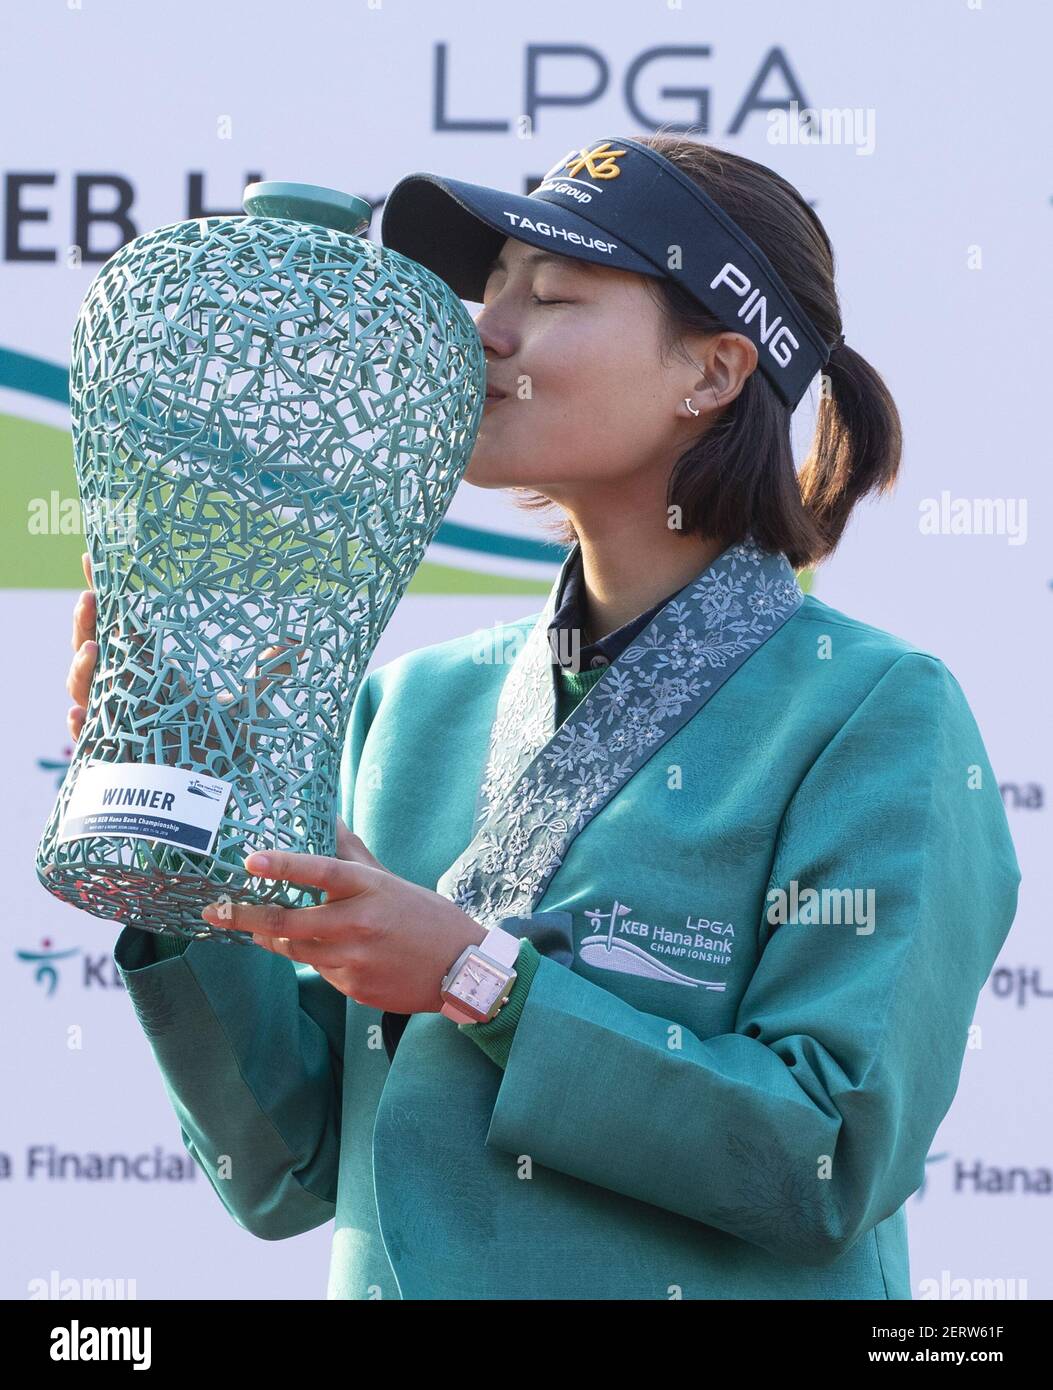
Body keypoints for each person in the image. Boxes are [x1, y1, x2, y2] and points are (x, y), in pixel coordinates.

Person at [67, 132, 1021, 1300]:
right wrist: (191, 835)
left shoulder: (875, 713)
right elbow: (284, 1168)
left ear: (714, 372)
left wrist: (478, 978)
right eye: (490, 288)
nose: (482, 331)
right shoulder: (415, 701)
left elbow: (826, 1161)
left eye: (553, 295)